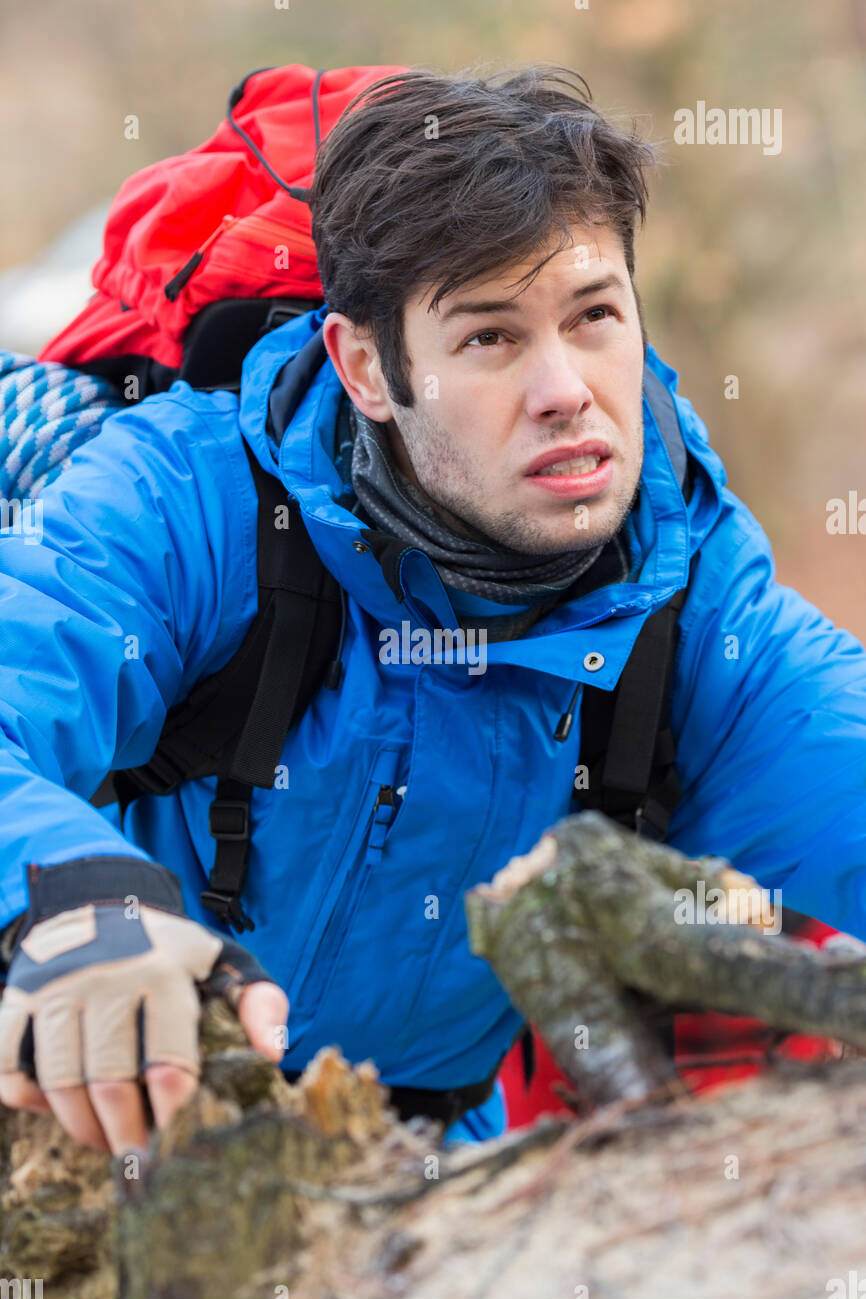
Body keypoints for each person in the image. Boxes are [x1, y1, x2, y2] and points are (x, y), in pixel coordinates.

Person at [1, 65, 864, 1157]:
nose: (565, 389)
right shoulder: (192, 503)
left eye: (593, 315)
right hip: (100, 1122)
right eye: (490, 337)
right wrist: (77, 901)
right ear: (364, 365)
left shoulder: (688, 598)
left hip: (425, 1177)